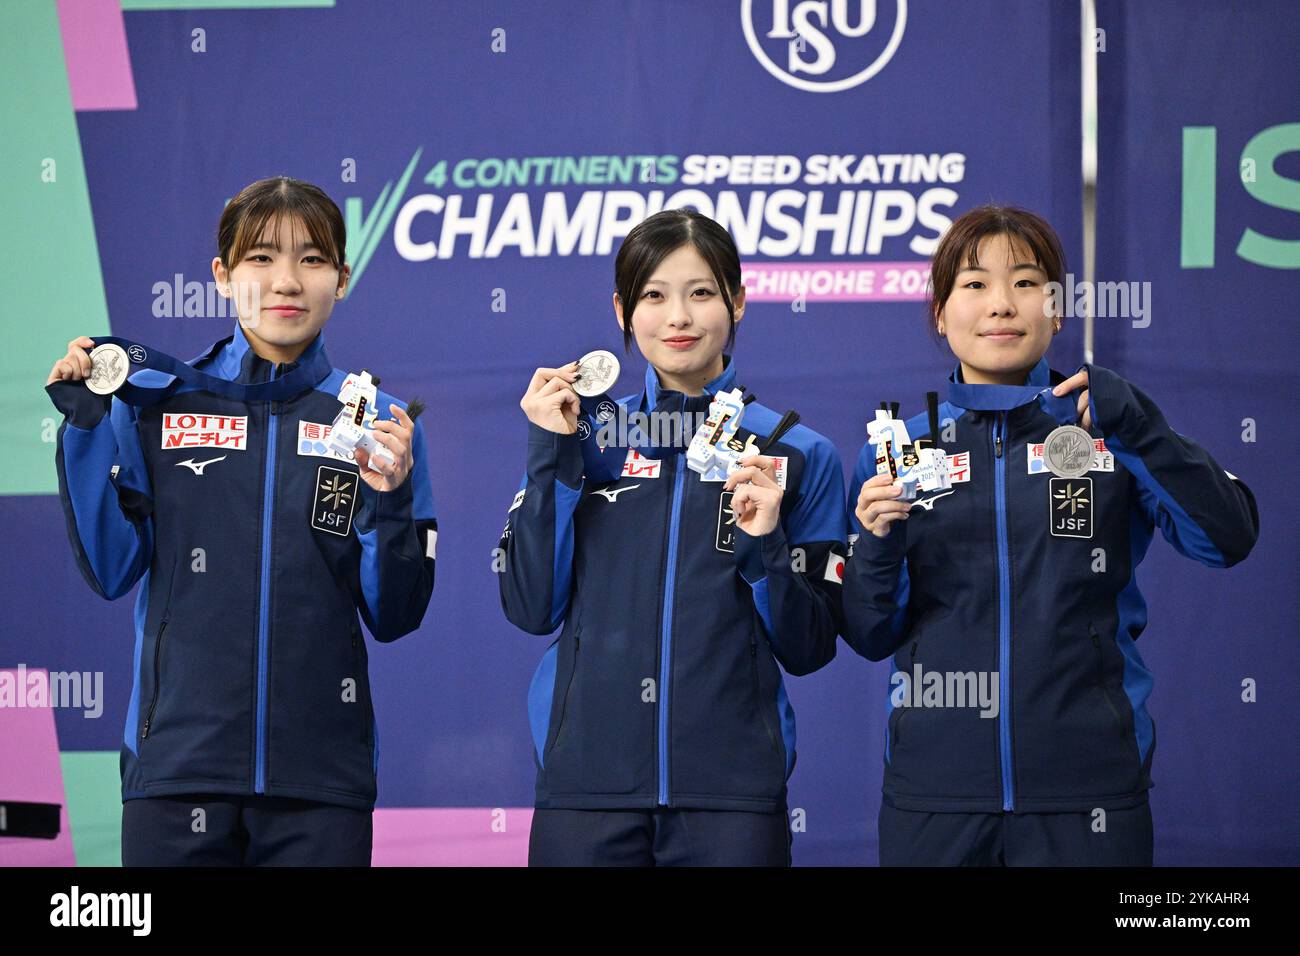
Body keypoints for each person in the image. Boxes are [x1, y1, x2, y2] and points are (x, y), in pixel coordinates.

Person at [841, 205, 1259, 866]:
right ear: (941, 314)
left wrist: (1144, 430)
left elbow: (1228, 538)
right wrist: (877, 545)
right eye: (974, 284)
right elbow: (869, 632)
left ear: (1058, 310)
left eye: (1027, 282)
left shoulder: (1110, 425)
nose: (1001, 304)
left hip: (1089, 793)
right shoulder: (897, 451)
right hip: (936, 795)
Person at [44, 176, 437, 866]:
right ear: (223, 276)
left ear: (342, 279)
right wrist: (85, 431)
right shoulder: (153, 405)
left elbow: (395, 612)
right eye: (261, 257)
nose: (286, 280)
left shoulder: (383, 425)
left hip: (320, 783)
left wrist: (390, 499)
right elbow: (111, 570)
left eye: (312, 259)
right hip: (175, 773)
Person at [498, 209, 847, 866]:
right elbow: (529, 606)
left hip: (731, 796)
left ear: (738, 302)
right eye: (654, 295)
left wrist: (763, 546)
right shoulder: (583, 436)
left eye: (701, 293)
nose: (678, 317)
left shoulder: (799, 453)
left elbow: (810, 646)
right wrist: (552, 458)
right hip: (586, 790)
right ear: (623, 311)